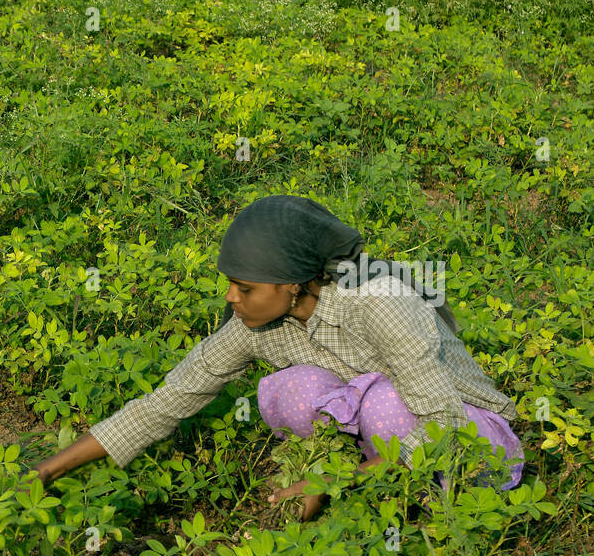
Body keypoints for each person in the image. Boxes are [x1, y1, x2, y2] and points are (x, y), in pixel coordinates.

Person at [30, 195, 524, 521]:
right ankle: (373, 488)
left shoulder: (378, 301)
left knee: (381, 404)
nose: (231, 298)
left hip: (470, 443)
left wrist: (331, 478)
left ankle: (417, 502)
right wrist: (48, 471)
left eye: (244, 287)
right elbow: (165, 404)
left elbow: (442, 423)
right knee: (292, 388)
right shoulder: (256, 326)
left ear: (291, 283)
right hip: (392, 452)